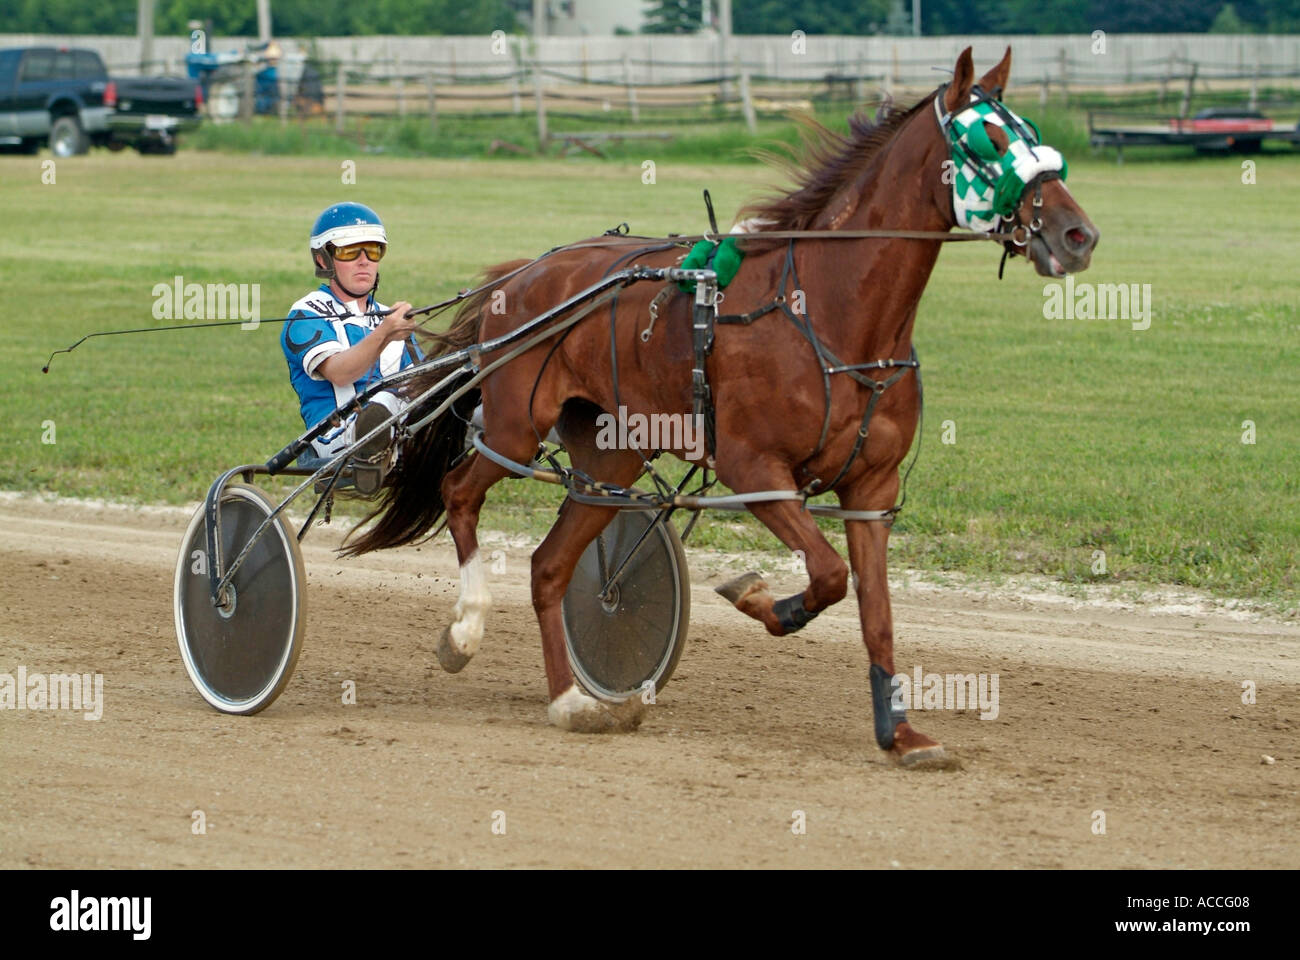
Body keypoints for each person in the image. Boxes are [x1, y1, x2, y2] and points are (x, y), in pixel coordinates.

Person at [282, 202, 422, 494]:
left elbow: (421, 386)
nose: (364, 261)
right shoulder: (306, 313)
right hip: (333, 442)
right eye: (349, 251)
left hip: (404, 431)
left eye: (373, 250)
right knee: (384, 404)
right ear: (324, 260)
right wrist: (385, 332)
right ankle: (373, 438)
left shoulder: (391, 317)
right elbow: (340, 373)